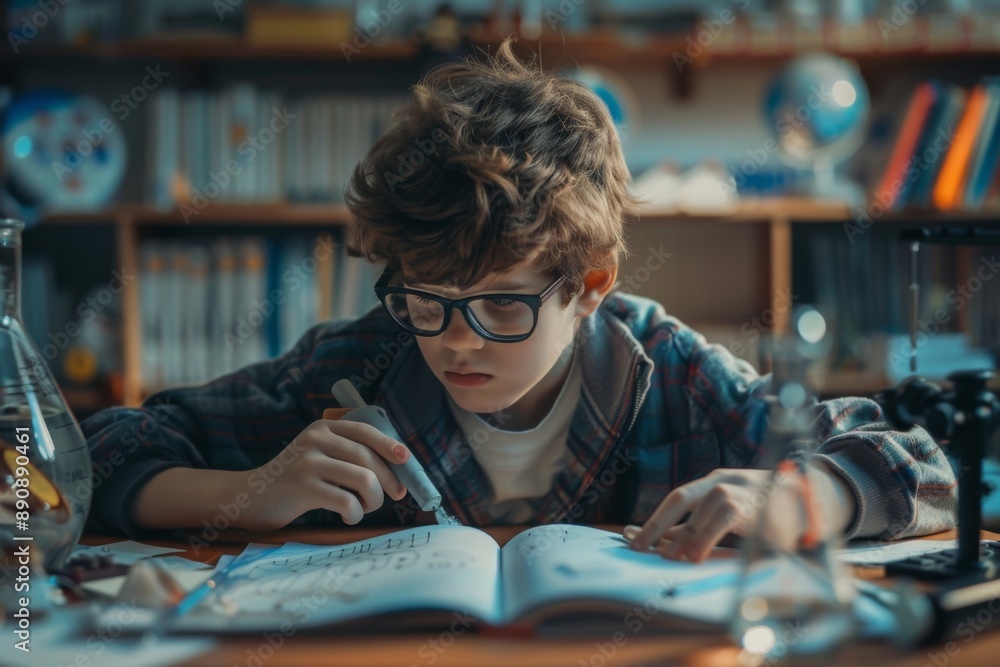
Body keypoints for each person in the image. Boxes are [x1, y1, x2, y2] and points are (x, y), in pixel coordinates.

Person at [81, 39, 956, 563]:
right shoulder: (360, 360)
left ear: (590, 285)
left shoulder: (671, 371)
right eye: (427, 299)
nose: (455, 342)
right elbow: (87, 453)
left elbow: (919, 464)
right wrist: (247, 490)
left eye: (503, 306)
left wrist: (805, 498)